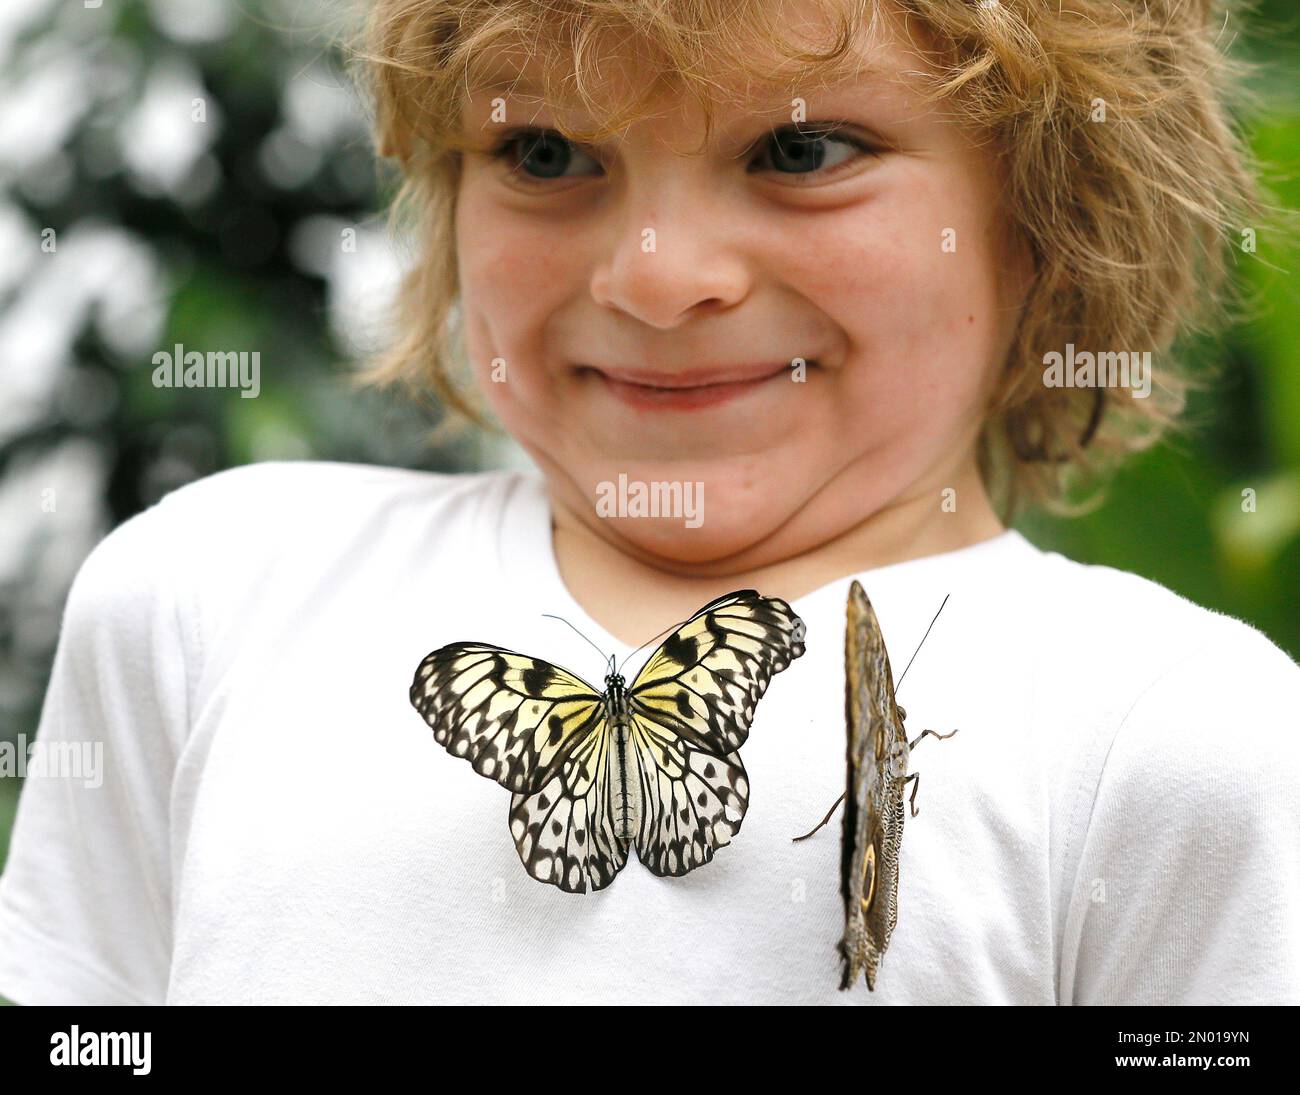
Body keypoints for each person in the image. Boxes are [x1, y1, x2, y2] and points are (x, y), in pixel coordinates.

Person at [1, 0, 1296, 1005]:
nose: (658, 277)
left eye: (801, 149)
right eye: (547, 152)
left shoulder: (1182, 736)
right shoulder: (214, 590)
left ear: (1049, 205)